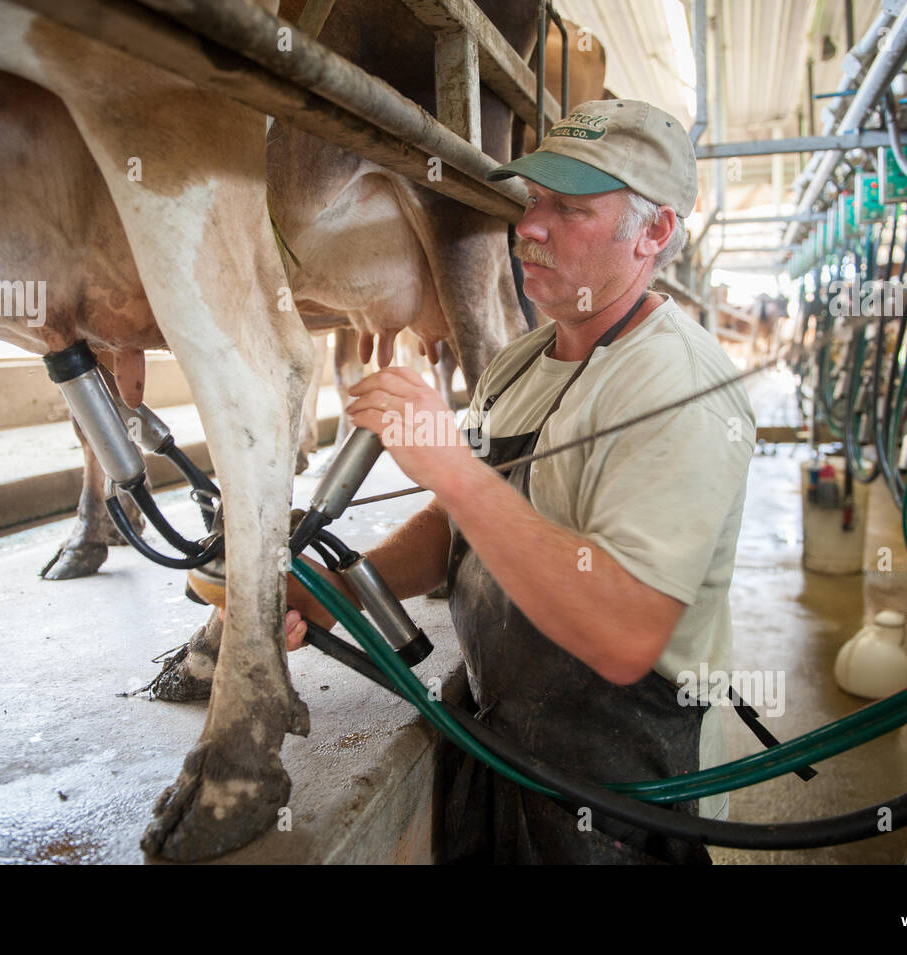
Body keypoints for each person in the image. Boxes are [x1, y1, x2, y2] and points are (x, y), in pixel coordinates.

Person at [282, 99, 756, 864]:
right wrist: (342, 590)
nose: (529, 227)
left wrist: (449, 463)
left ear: (656, 232)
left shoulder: (679, 389)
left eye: (570, 209)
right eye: (533, 200)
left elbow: (627, 634)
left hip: (625, 788)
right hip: (507, 741)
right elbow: (462, 523)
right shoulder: (521, 361)